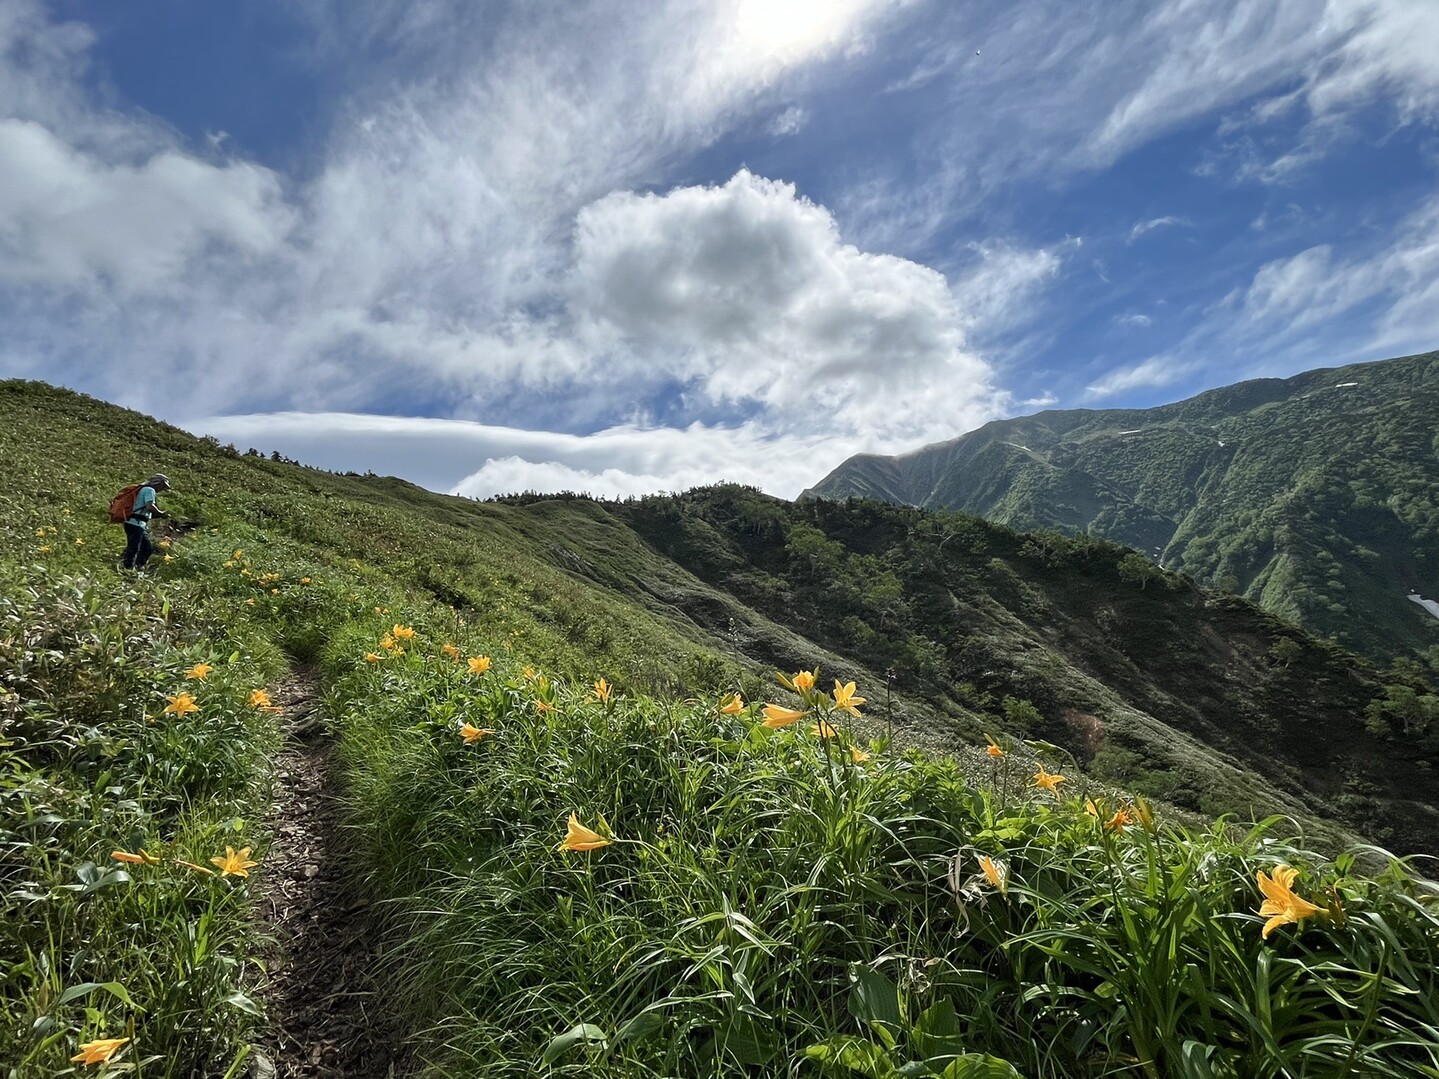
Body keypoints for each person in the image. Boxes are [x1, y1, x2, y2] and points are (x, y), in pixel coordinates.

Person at [122, 474, 171, 571]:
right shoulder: (150, 490)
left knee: (146, 548)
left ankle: (137, 569)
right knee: (135, 548)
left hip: (134, 522)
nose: (161, 489)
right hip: (136, 523)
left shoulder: (143, 489)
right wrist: (161, 513)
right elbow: (150, 506)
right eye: (162, 486)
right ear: (157, 483)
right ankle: (128, 569)